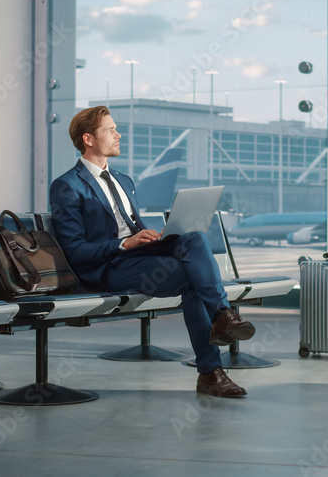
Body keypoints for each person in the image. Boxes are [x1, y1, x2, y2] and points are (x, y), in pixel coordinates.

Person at [49, 106, 255, 398]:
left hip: (138, 256)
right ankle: (211, 368)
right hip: (108, 268)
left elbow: (134, 226)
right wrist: (125, 244)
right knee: (193, 279)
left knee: (195, 238)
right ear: (88, 139)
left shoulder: (123, 180)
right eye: (111, 130)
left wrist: (154, 237)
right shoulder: (67, 186)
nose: (118, 135)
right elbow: (75, 251)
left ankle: (222, 318)